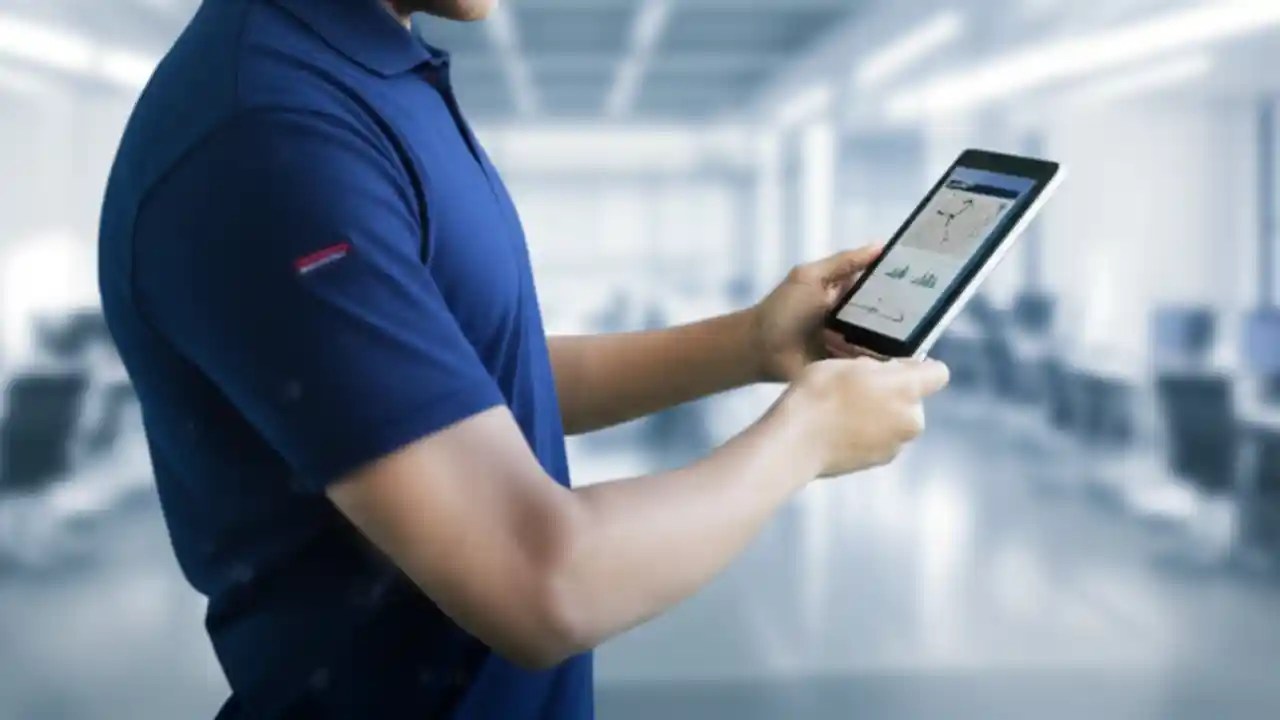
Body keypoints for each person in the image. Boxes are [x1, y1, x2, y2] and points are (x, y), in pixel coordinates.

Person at [97, 0, 950, 717]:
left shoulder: (363, 74)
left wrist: (750, 344)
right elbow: (540, 581)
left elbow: (455, 386)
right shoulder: (271, 136)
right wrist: (804, 438)